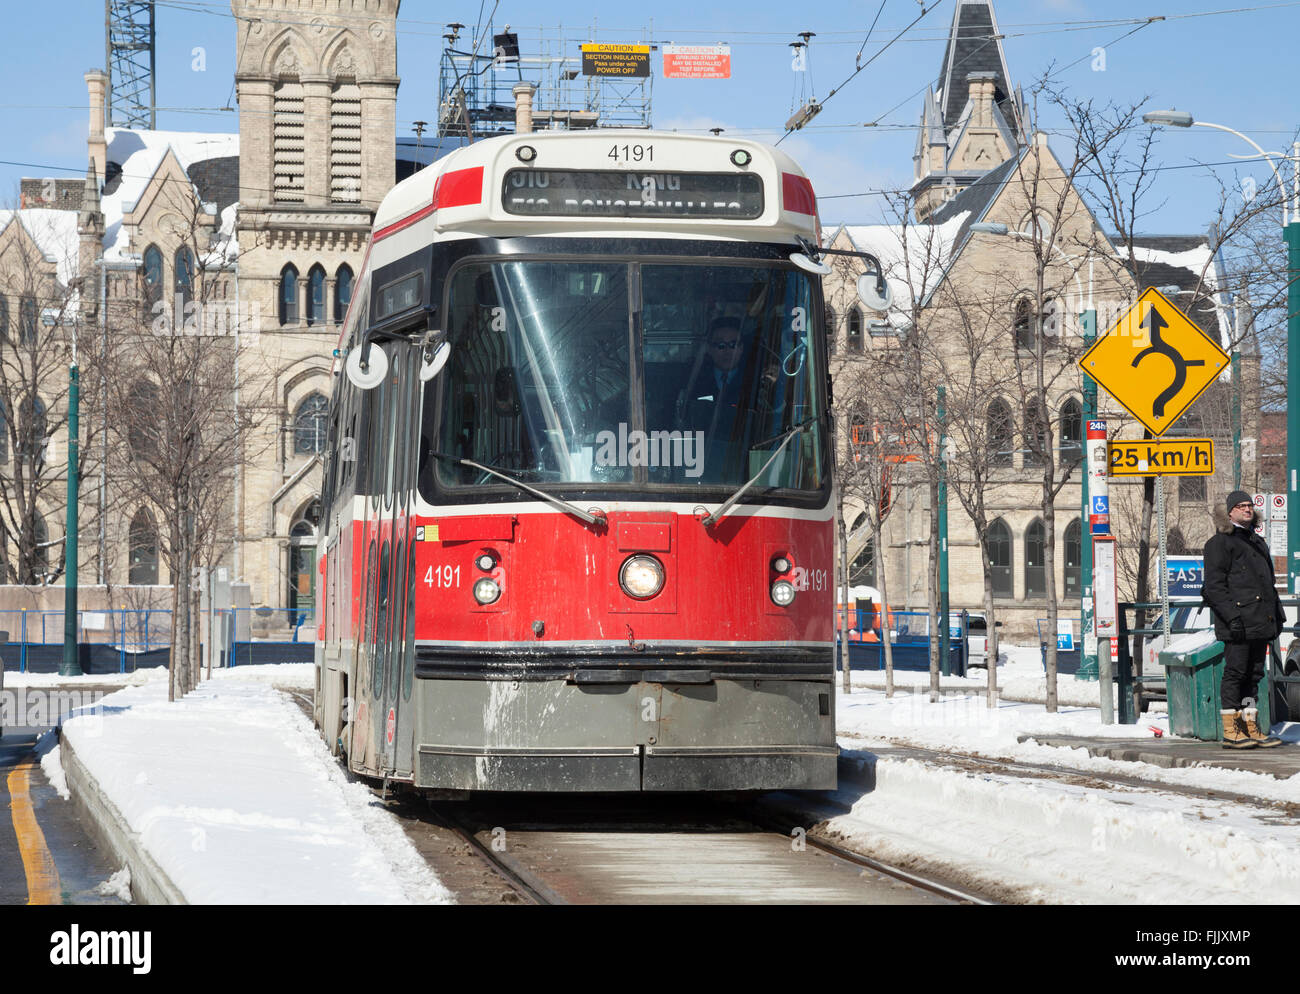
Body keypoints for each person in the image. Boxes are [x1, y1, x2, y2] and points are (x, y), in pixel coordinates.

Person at [1201, 490, 1285, 749]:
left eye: (1249, 505)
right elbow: (1214, 587)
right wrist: (1232, 618)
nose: (1247, 509)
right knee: (1235, 673)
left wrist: (1277, 616)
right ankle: (1232, 730)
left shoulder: (1257, 541)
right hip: (1236, 622)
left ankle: (1251, 726)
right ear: (1230, 513)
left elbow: (1267, 584)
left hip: (1260, 620)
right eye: (1241, 506)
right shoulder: (1219, 543)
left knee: (1254, 674)